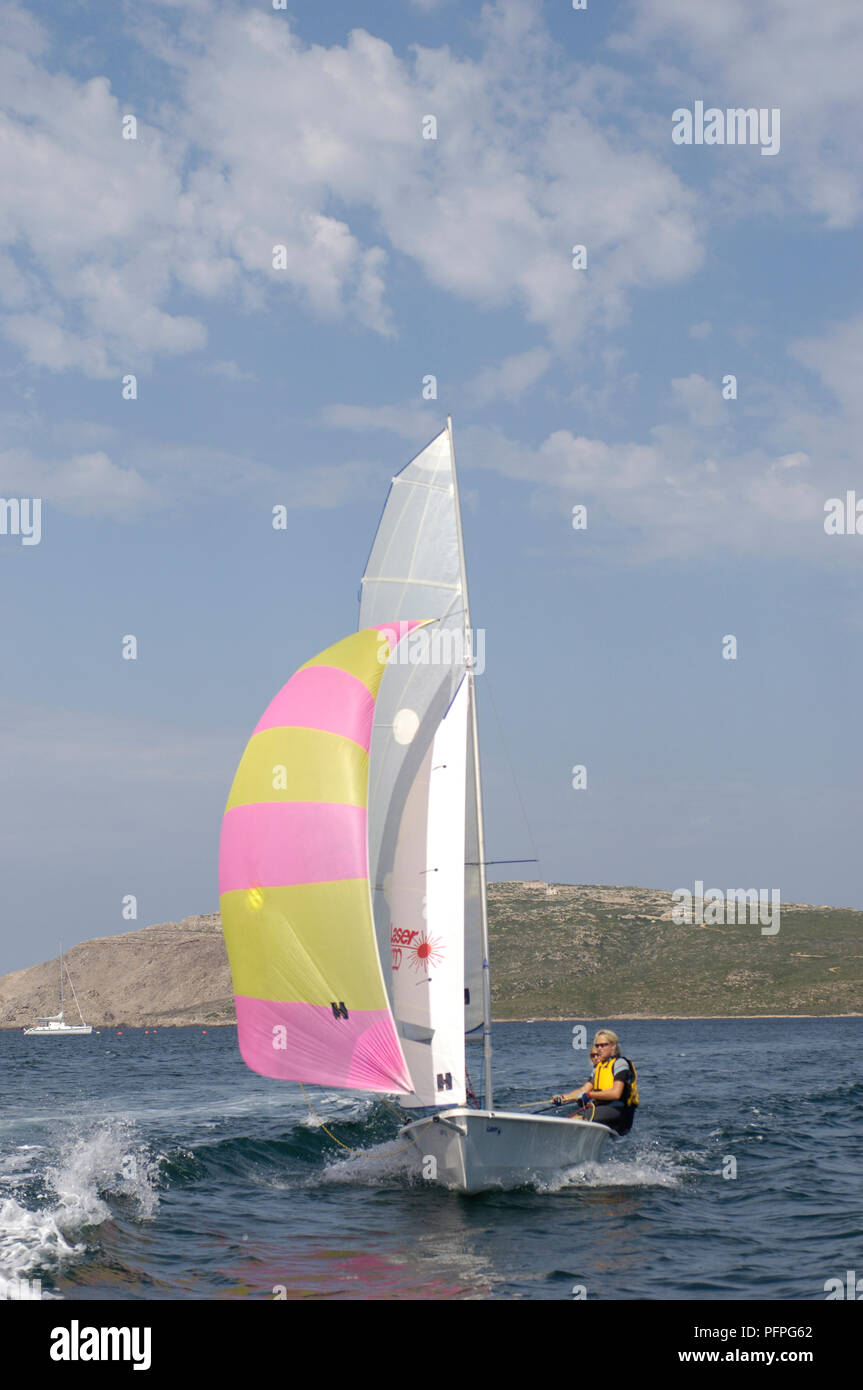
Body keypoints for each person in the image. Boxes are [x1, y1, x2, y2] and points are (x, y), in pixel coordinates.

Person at [552, 1029, 639, 1136]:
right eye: (597, 1046)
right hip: (602, 1109)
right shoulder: (599, 1068)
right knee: (569, 1119)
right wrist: (563, 1098)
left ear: (613, 1046)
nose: (599, 1049)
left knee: (578, 1119)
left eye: (603, 1045)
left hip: (619, 1111)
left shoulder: (620, 1064)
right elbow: (584, 1089)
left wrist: (590, 1095)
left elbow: (616, 1093)